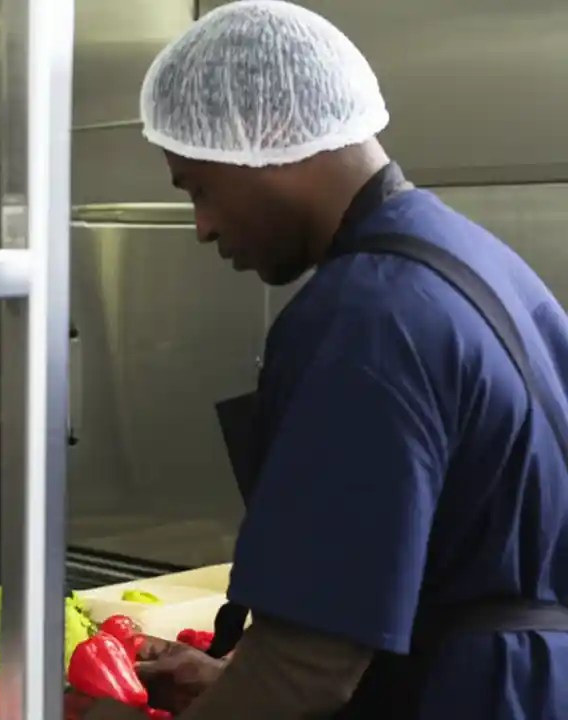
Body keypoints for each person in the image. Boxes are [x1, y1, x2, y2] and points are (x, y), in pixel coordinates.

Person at [126, 2, 568, 719]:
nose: (203, 227)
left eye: (199, 188)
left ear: (267, 136)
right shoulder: (474, 259)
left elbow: (303, 672)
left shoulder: (365, 316)